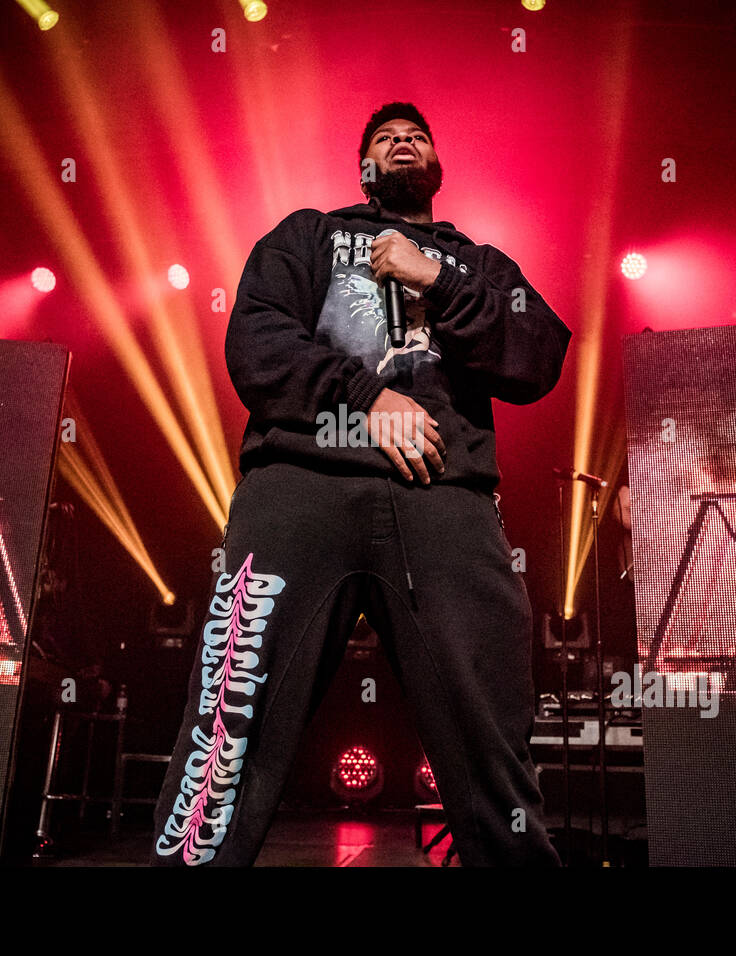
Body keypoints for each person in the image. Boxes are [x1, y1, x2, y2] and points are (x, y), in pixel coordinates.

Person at [149, 102, 572, 866]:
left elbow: (539, 357)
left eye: (418, 135)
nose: (403, 141)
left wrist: (437, 277)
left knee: (490, 731)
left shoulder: (476, 262)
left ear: (438, 165)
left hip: (445, 496)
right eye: (385, 138)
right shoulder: (308, 234)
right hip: (301, 486)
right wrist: (365, 399)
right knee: (230, 712)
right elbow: (256, 341)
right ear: (364, 169)